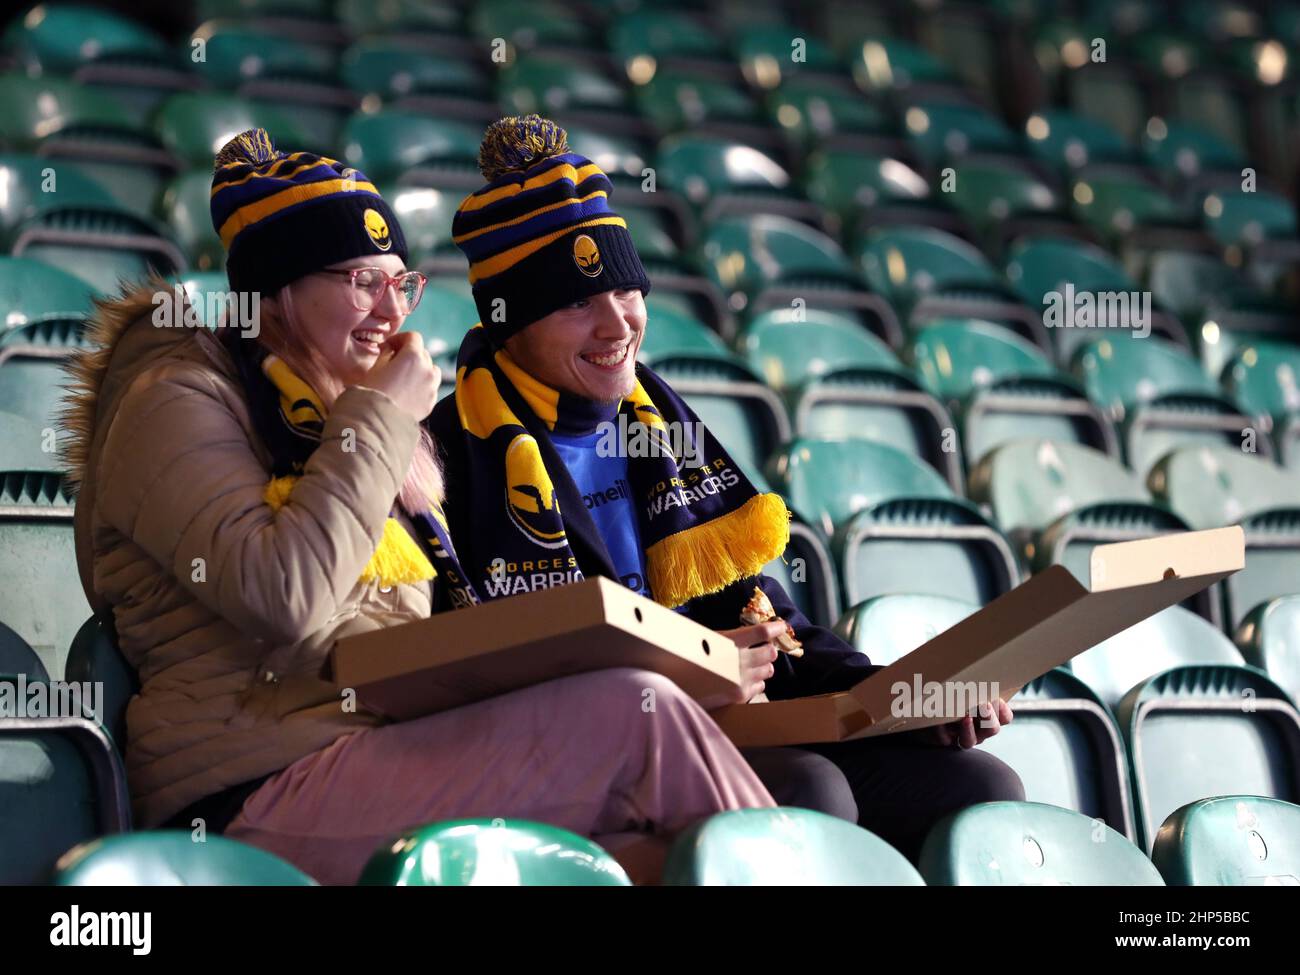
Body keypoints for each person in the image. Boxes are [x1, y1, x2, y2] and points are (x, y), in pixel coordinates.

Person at [60, 128, 775, 885]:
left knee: (648, 861)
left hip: (381, 748)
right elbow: (282, 595)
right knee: (644, 715)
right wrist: (379, 422)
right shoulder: (175, 400)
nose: (389, 310)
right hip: (248, 791)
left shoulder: (348, 412)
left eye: (401, 284)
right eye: (361, 280)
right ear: (274, 294)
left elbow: (406, 642)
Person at [428, 115, 1025, 861]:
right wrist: (691, 670)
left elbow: (767, 621)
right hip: (578, 753)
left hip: (722, 724)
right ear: (508, 322)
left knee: (976, 780)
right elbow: (469, 673)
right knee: (811, 791)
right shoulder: (450, 452)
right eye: (578, 303)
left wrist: (904, 698)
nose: (618, 325)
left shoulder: (658, 421)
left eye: (626, 290)